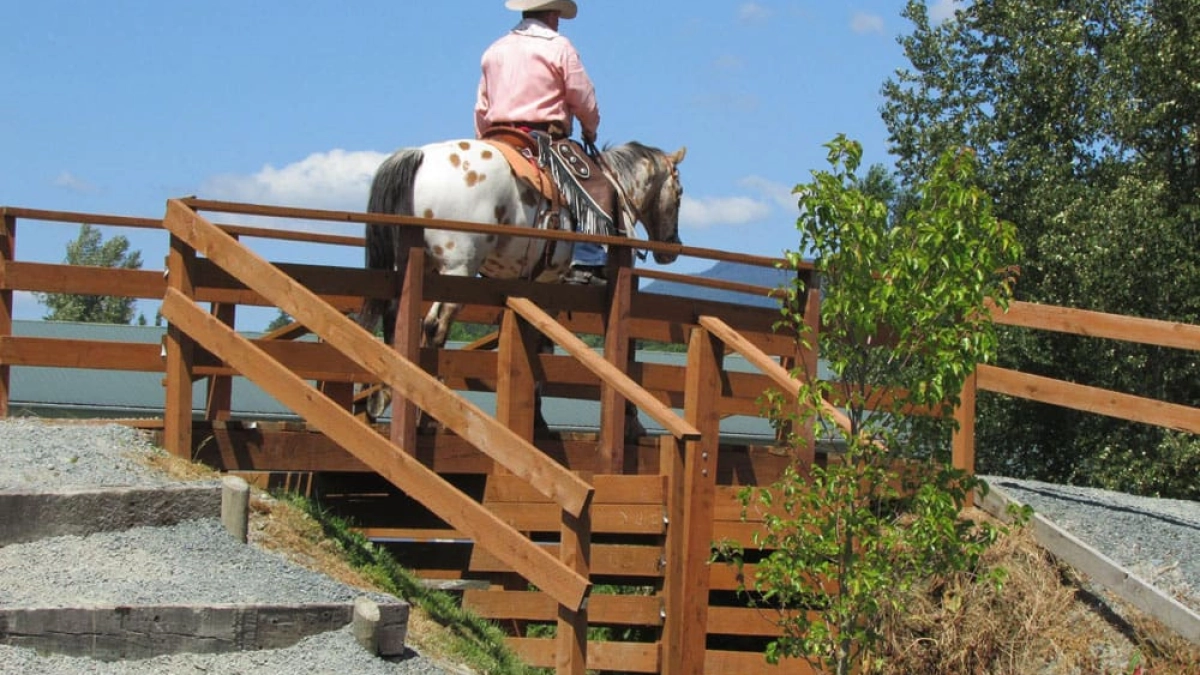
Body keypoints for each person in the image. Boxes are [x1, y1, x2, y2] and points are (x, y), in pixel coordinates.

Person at [475, 0, 609, 286]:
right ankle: (586, 260)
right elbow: (582, 95)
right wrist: (590, 127)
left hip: (496, 136)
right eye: (558, 16)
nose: (558, 21)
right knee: (595, 184)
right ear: (551, 14)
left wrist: (483, 140)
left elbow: (482, 106)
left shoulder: (494, 50)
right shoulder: (558, 47)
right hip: (542, 138)